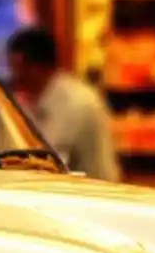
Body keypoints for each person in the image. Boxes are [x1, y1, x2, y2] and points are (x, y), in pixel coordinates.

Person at [6, 27, 120, 182]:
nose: (15, 77)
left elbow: (102, 171)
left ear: (39, 68)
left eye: (19, 69)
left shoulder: (82, 105)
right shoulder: (23, 103)